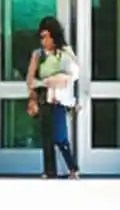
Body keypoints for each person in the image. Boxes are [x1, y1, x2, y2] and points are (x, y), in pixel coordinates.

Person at [26, 16, 80, 180]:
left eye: (47, 36)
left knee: (60, 135)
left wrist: (54, 80)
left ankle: (72, 168)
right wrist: (32, 96)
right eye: (41, 37)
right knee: (46, 136)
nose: (44, 41)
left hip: (59, 98)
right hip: (44, 96)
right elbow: (30, 79)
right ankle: (50, 171)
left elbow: (73, 74)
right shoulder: (38, 54)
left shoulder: (64, 53)